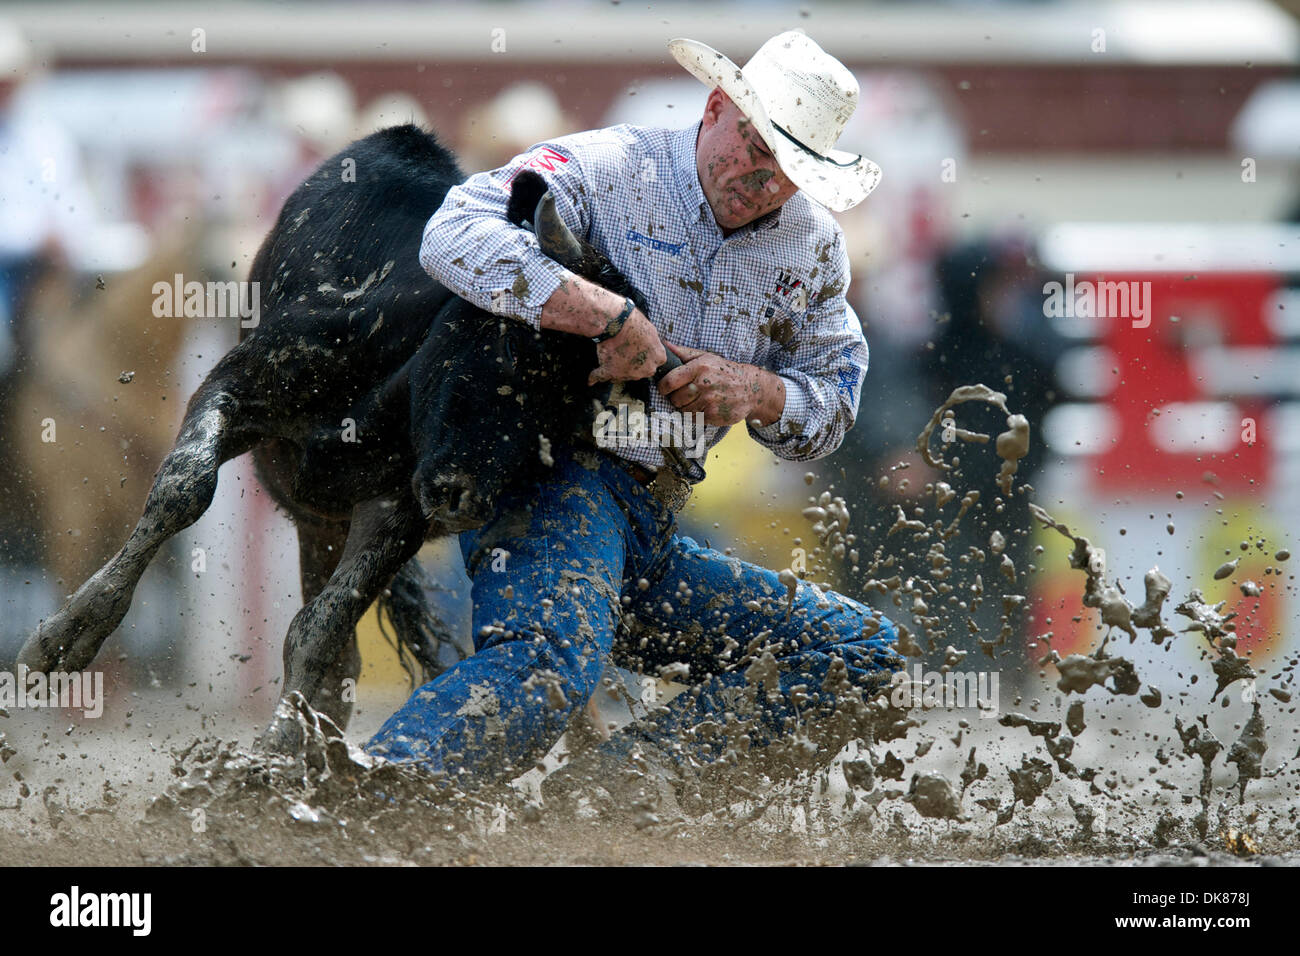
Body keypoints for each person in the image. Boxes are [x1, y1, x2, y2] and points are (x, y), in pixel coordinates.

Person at [365, 31, 904, 809]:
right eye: (754, 148)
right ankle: (367, 804)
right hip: (557, 477)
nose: (761, 180)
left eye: (790, 172)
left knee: (860, 652)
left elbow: (832, 401)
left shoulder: (813, 248)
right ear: (716, 108)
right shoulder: (610, 166)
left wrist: (754, 391)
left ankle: (620, 795)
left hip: (650, 522)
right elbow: (452, 233)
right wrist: (604, 315)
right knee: (550, 660)